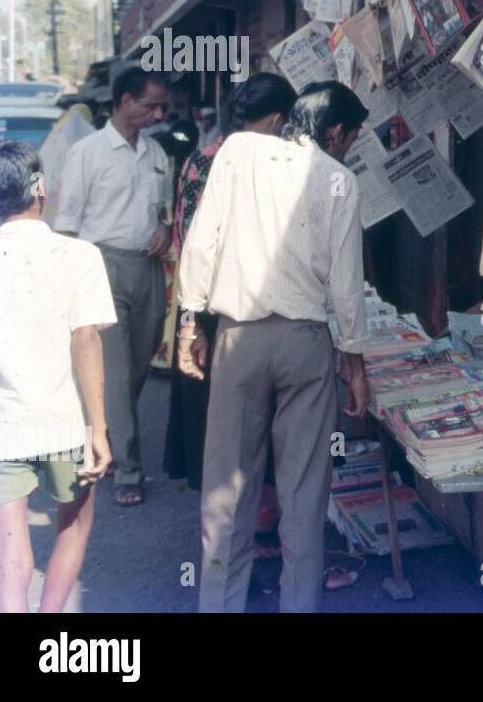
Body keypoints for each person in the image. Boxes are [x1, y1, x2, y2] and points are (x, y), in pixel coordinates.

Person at [178, 81, 372, 613]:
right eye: (351, 138)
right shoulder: (339, 179)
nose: (348, 148)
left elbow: (203, 240)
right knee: (305, 499)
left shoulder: (237, 150)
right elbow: (346, 285)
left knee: (226, 495)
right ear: (335, 131)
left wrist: (189, 322)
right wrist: (354, 363)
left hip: (238, 338)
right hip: (306, 343)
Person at [0, 140, 116, 612]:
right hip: (64, 421)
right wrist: (97, 429)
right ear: (39, 187)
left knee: (5, 555)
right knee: (76, 524)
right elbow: (87, 341)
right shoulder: (79, 255)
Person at [166, 73, 297, 494]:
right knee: (256, 419)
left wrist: (191, 318)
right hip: (252, 308)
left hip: (205, 302)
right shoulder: (283, 164)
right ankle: (253, 515)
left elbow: (187, 243)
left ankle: (229, 521)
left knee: (219, 424)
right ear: (278, 120)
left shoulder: (201, 158)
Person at [53, 68, 170, 507]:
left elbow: (159, 211)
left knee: (139, 364)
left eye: (160, 106)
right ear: (123, 101)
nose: (158, 114)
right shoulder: (87, 153)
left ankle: (100, 427)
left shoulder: (157, 152)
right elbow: (67, 225)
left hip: (147, 268)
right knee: (118, 375)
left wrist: (163, 228)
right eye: (149, 105)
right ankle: (127, 470)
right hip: (99, 265)